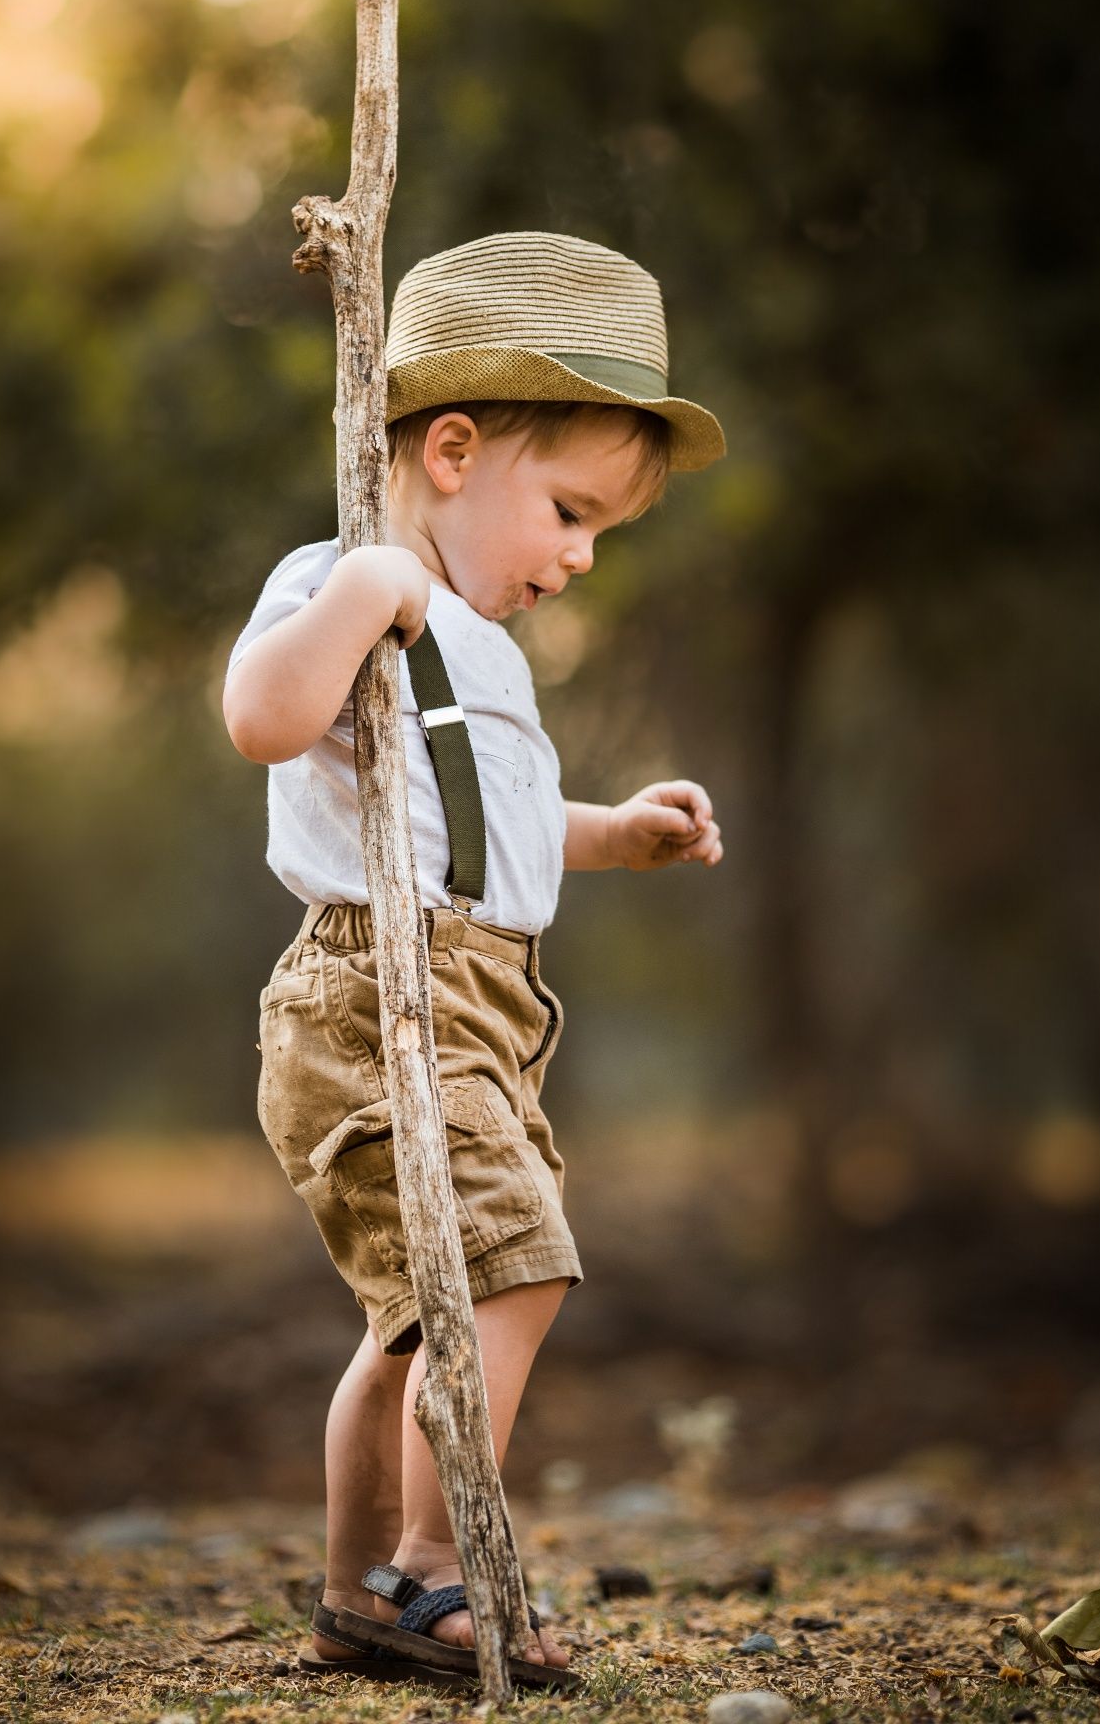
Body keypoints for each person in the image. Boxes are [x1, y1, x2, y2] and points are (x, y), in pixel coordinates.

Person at [222, 230, 726, 1690]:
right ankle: (437, 1571)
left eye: (598, 536)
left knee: (417, 1314)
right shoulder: (346, 576)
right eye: (568, 513)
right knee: (506, 1270)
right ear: (451, 449)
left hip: (486, 1000)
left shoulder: (483, 648)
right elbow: (261, 720)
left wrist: (608, 832)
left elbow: (472, 825)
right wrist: (362, 594)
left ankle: (358, 1593)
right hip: (372, 989)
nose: (576, 559)